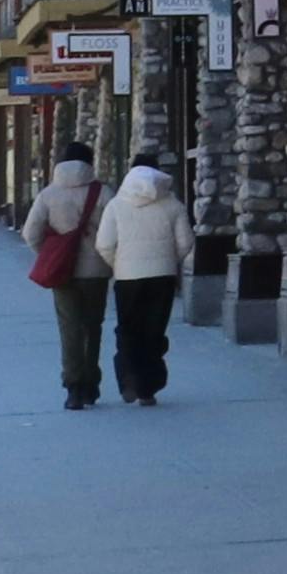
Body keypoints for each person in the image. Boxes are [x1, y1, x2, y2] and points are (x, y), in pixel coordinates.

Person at [92, 151, 192, 408]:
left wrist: (119, 264)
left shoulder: (116, 205)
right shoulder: (173, 204)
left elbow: (103, 244)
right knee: (154, 330)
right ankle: (149, 386)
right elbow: (186, 243)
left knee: (128, 328)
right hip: (163, 276)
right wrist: (170, 261)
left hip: (128, 277)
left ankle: (129, 376)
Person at [30, 151, 106, 408]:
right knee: (92, 327)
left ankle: (73, 386)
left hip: (62, 272)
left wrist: (51, 254)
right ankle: (90, 383)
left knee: (69, 328)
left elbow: (31, 232)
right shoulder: (103, 193)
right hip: (96, 271)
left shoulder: (49, 194)